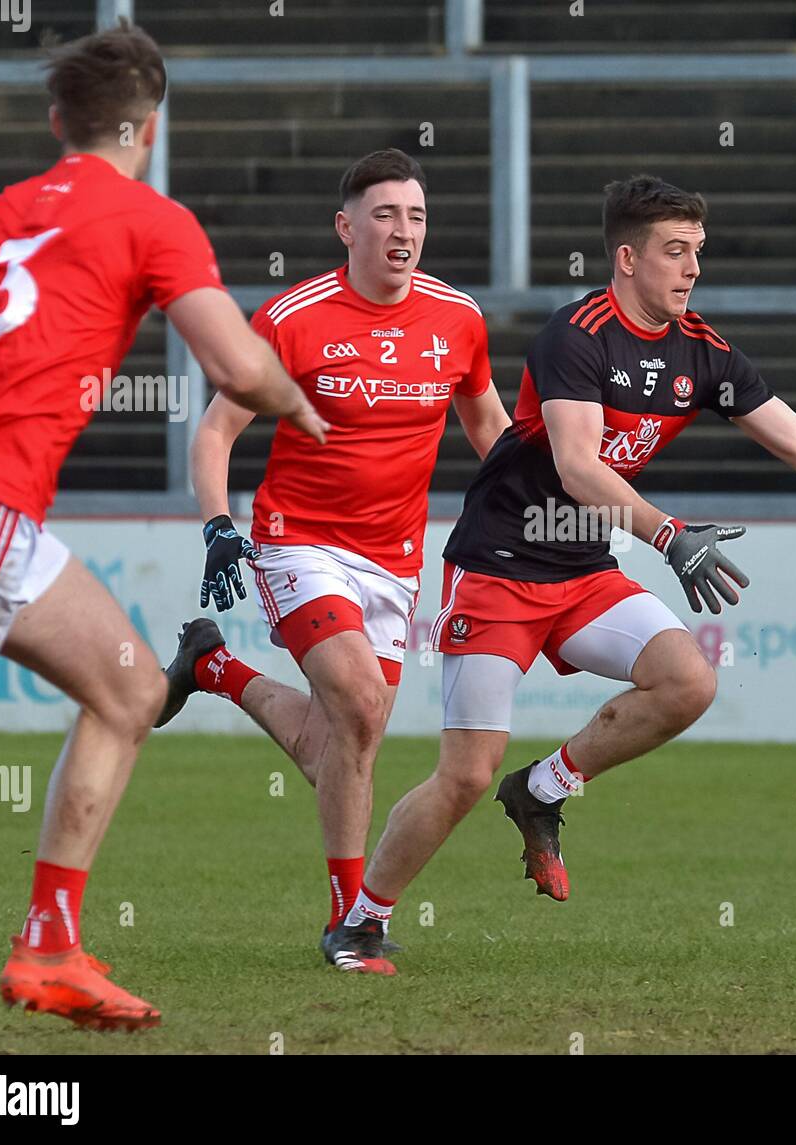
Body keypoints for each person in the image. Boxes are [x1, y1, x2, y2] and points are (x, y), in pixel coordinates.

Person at [325, 174, 796, 971]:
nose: (692, 268)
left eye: (698, 251)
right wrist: (671, 536)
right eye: (675, 251)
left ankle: (545, 789)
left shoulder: (703, 350)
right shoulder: (577, 337)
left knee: (687, 680)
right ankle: (361, 920)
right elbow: (579, 464)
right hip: (497, 570)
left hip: (585, 572)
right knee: (464, 774)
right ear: (627, 259)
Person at [0, 22, 327, 1029]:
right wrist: (295, 397)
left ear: (57, 121)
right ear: (145, 128)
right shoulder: (153, 220)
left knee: (135, 686)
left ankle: (49, 946)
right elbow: (237, 368)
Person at [154, 149, 510, 975]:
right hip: (298, 539)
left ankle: (214, 668)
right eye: (385, 214)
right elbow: (214, 433)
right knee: (356, 701)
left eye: (417, 216)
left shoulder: (458, 317)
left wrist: (533, 511)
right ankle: (353, 924)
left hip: (395, 559)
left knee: (339, 742)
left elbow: (489, 428)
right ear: (346, 227)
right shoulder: (293, 317)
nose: (404, 231)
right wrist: (218, 525)